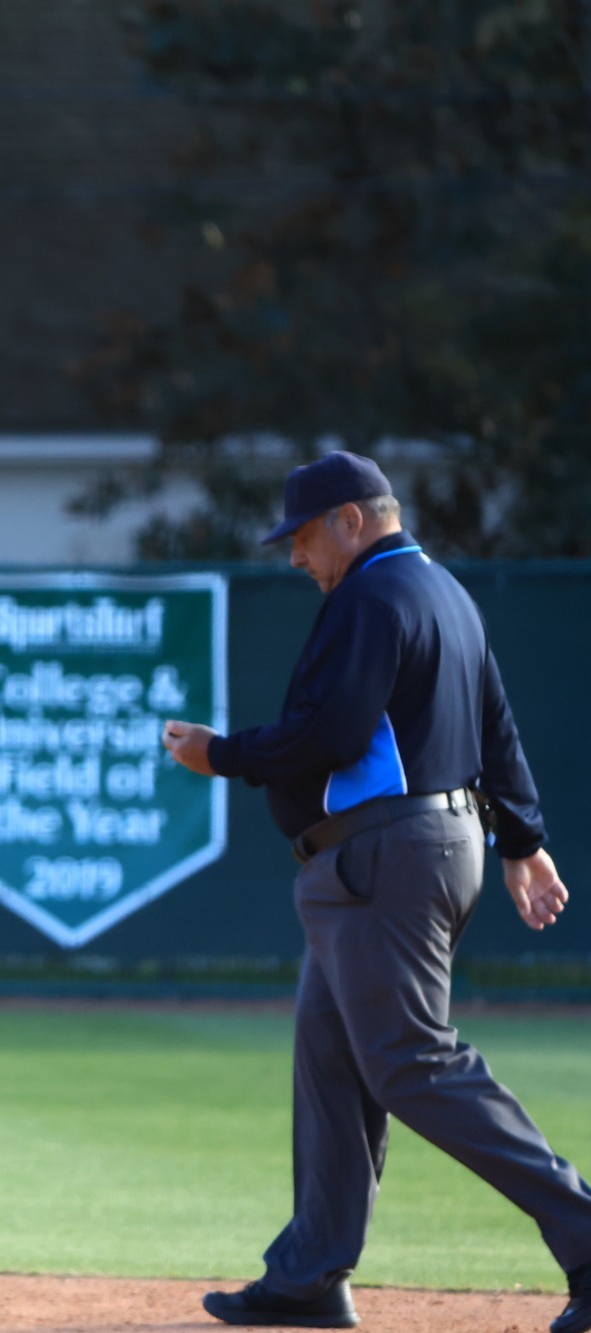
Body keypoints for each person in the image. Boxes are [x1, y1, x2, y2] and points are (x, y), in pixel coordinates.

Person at [163, 452, 591, 1333]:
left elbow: (330, 731)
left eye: (305, 534)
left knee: (410, 1060)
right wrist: (524, 839)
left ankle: (584, 1232)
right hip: (420, 847)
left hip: (385, 859)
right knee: (329, 1056)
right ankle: (312, 1273)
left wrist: (224, 753)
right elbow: (497, 723)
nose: (295, 555)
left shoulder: (370, 596)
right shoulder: (444, 592)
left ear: (353, 520)